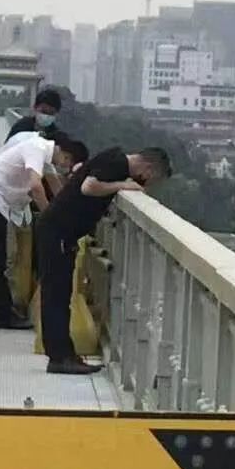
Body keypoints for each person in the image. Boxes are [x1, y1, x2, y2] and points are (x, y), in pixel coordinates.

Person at [35, 144, 171, 374]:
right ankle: (59, 357)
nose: (146, 181)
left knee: (60, 296)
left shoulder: (114, 160)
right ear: (149, 167)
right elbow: (89, 187)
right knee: (56, 297)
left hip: (60, 234)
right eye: (152, 177)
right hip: (57, 233)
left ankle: (64, 354)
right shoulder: (116, 163)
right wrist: (123, 185)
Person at [0, 130, 67, 328]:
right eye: (66, 161)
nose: (64, 166)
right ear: (63, 151)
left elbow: (56, 186)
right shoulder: (37, 147)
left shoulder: (44, 156)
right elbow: (36, 187)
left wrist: (66, 210)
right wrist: (50, 218)